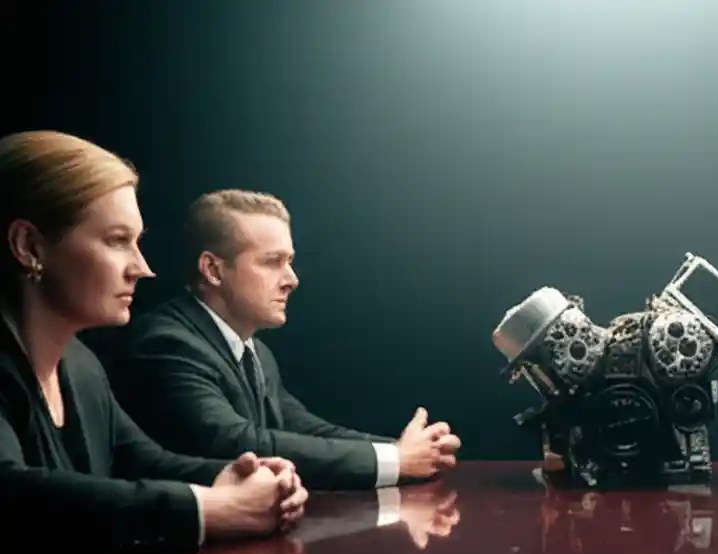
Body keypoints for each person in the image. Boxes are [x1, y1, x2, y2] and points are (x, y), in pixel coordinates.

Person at [0, 130, 307, 554]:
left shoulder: (81, 364)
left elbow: (141, 460)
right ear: (29, 246)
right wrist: (210, 509)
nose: (142, 268)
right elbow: (11, 495)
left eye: (137, 242)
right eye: (117, 240)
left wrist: (248, 475)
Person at [114, 189, 460, 490]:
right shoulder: (167, 344)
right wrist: (395, 459)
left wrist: (402, 449)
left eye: (289, 261)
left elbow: (302, 427)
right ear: (213, 270)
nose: (291, 279)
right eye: (272, 262)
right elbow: (235, 443)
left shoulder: (254, 350)